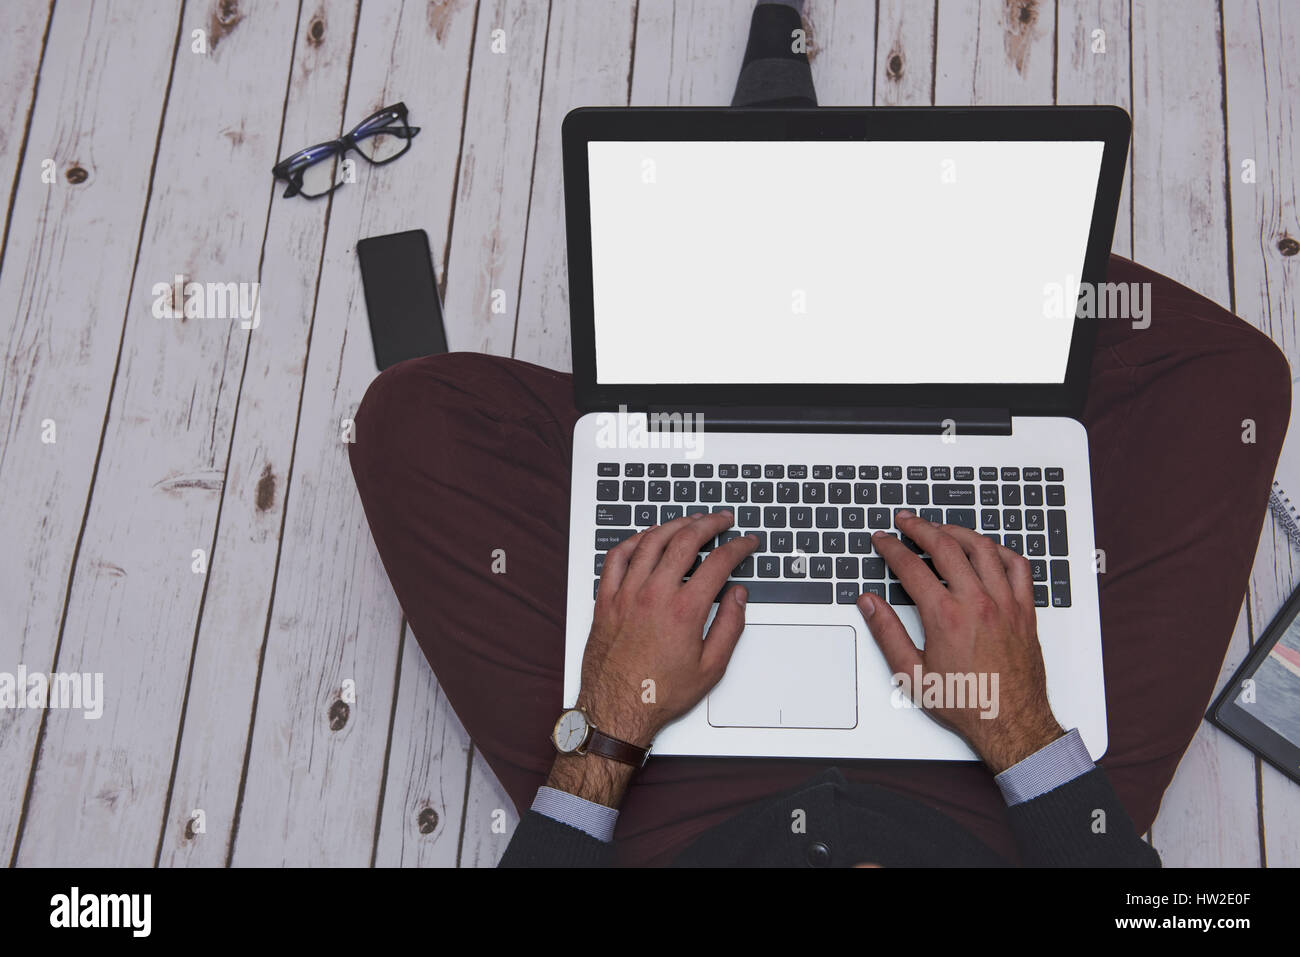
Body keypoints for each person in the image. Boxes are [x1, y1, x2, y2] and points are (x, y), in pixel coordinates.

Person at [347, 1, 1291, 866]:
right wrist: (1021, 730)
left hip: (673, 810)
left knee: (409, 421)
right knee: (1233, 381)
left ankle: (767, 296)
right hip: (999, 811)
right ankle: (839, 279)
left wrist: (608, 725)